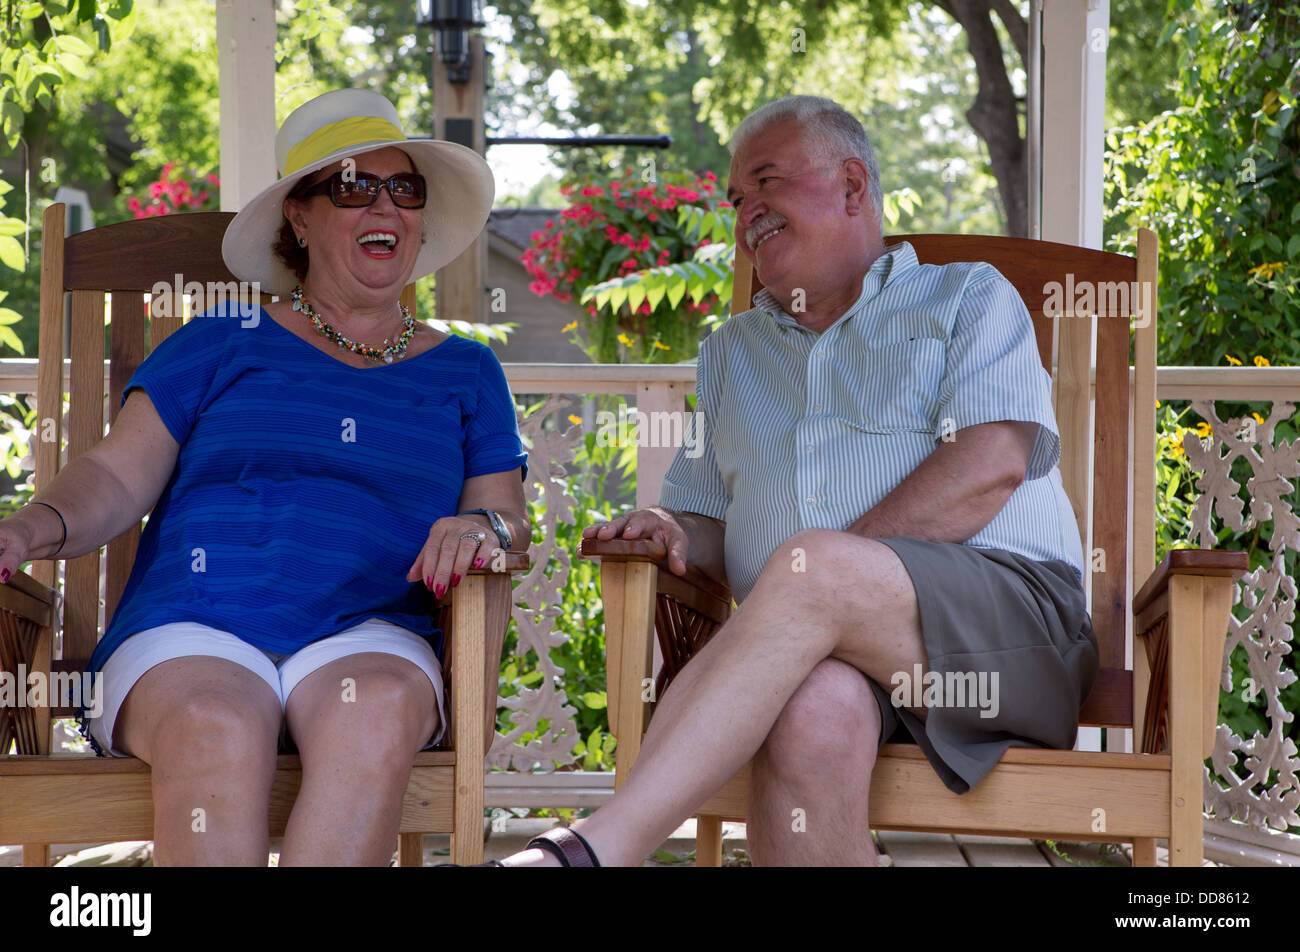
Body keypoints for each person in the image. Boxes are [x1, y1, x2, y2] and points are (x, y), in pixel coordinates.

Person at [491, 95, 1098, 867]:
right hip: (832, 658)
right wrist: (676, 529)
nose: (747, 213)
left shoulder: (967, 296)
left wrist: (815, 582)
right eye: (737, 199)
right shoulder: (731, 354)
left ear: (852, 186)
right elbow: (708, 517)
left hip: (1009, 636)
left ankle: (595, 851)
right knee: (810, 712)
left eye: (767, 183)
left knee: (815, 570)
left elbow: (992, 465)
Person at [0, 89, 531, 866]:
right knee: (215, 720)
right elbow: (117, 476)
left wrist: (481, 527)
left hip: (371, 633)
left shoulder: (467, 372)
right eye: (353, 185)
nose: (385, 202)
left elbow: (506, 517)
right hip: (195, 628)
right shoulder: (223, 337)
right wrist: (27, 526)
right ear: (300, 218)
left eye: (404, 188)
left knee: (376, 710)